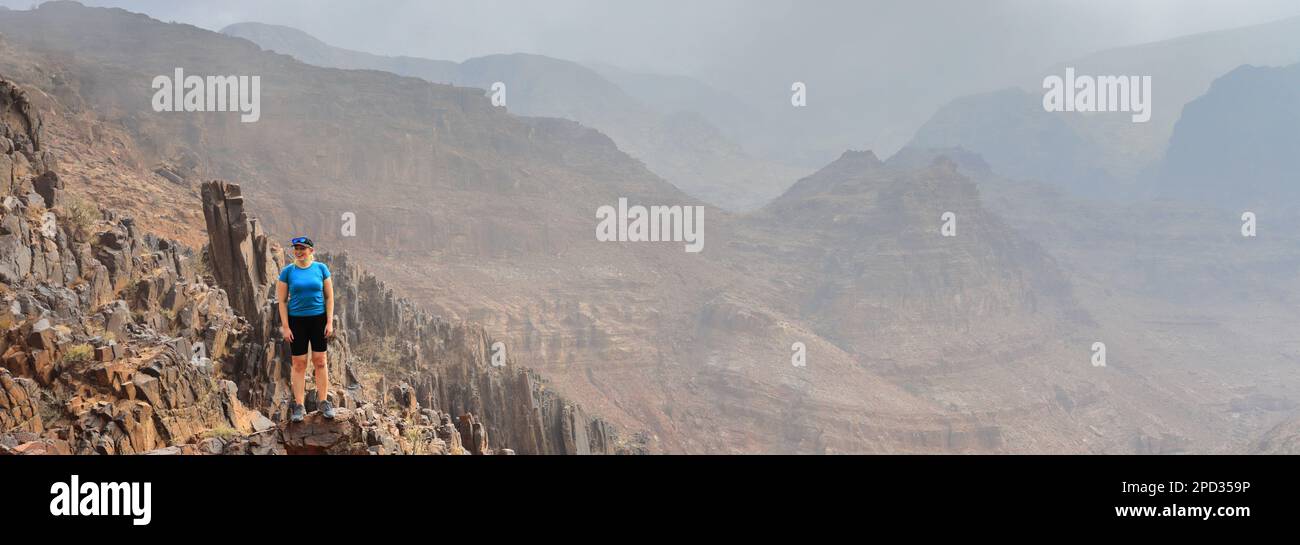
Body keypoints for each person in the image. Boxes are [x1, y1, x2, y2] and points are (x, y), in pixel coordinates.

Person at [275, 236, 336, 423]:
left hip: (318, 320)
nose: (299, 251)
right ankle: (299, 406)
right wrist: (285, 327)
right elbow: (282, 301)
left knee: (320, 361)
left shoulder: (321, 269)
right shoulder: (287, 272)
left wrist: (329, 322)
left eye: (303, 248)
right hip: (297, 322)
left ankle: (323, 402)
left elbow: (329, 298)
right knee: (299, 363)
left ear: (311, 251)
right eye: (296, 248)